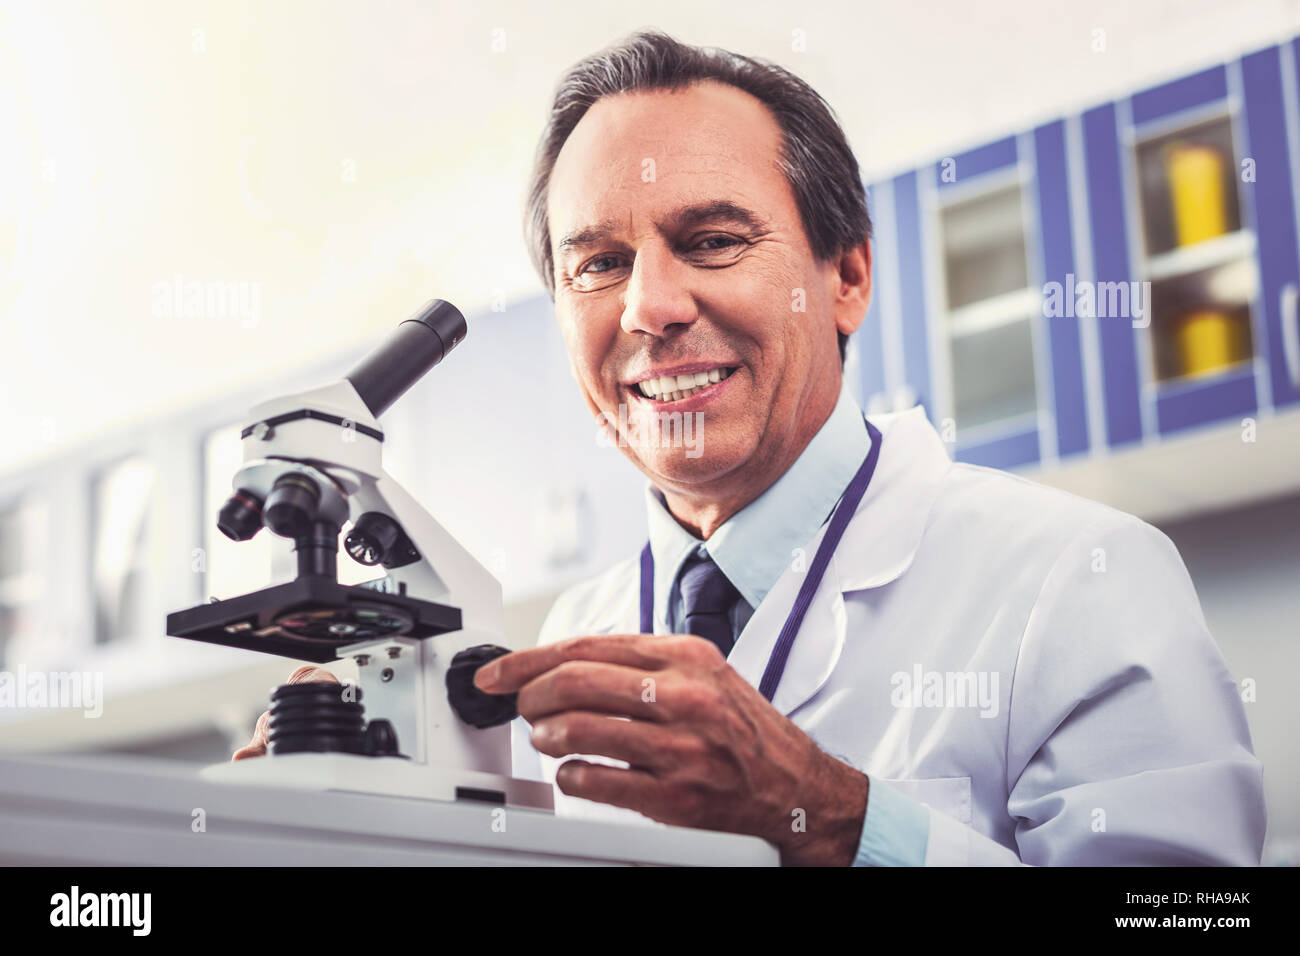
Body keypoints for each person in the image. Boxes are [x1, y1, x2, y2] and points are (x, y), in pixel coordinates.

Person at [237, 30, 1265, 867]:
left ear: (846, 275)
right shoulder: (571, 632)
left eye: (712, 240)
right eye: (598, 263)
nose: (650, 306)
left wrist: (833, 816)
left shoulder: (1080, 577)